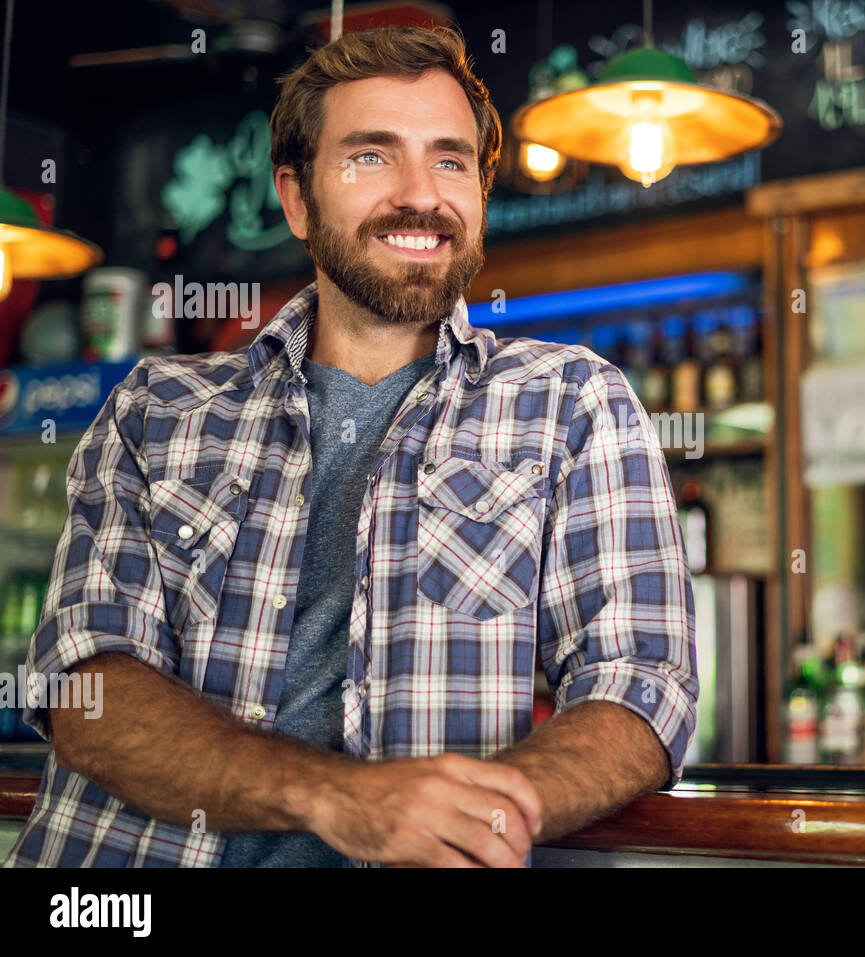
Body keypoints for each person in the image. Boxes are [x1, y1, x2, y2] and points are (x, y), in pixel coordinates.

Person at [3, 25, 697, 868]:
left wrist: (481, 815)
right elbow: (86, 684)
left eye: (450, 161)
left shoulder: (572, 403)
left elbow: (643, 682)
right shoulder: (159, 408)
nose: (420, 195)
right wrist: (343, 798)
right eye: (371, 156)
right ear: (295, 201)